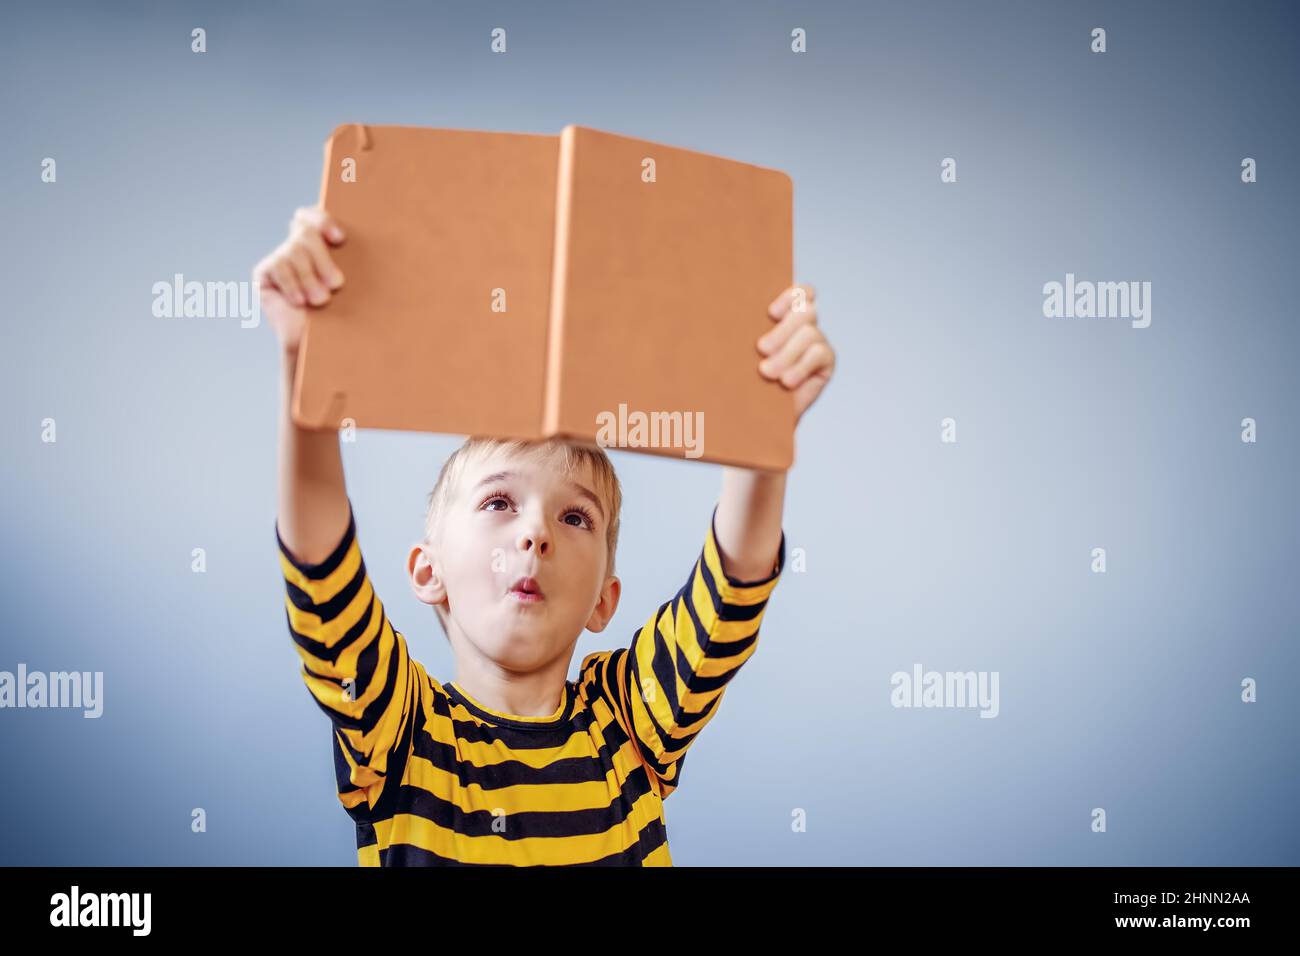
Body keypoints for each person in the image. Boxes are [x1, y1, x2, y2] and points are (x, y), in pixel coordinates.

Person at [255, 204, 835, 865]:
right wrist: (305, 361)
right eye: (499, 501)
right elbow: (320, 565)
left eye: (576, 517)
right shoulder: (399, 730)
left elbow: (731, 593)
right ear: (427, 570)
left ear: (603, 602)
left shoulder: (629, 722)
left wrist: (761, 432)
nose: (535, 533)